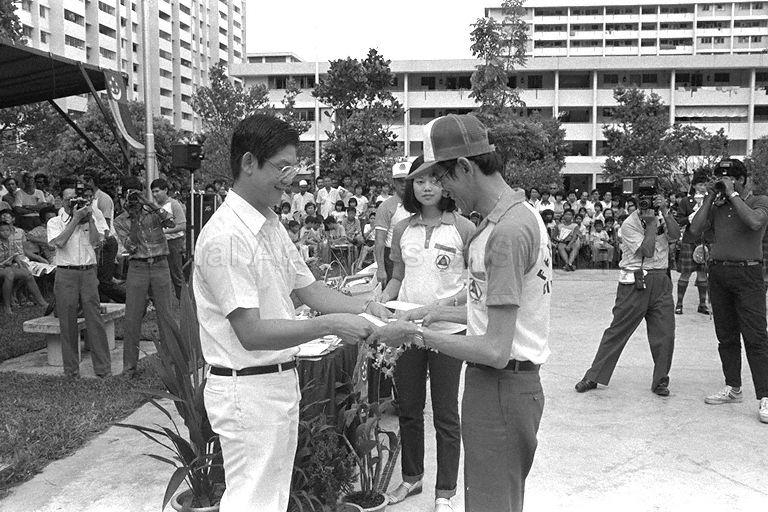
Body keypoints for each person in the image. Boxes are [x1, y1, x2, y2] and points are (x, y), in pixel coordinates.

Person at [193, 113, 390, 511]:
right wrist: (330, 326)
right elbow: (250, 332)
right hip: (246, 387)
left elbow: (311, 290)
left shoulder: (269, 224)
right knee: (252, 501)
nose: (290, 179)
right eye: (281, 167)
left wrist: (369, 309)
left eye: (293, 167)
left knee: (269, 498)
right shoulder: (226, 236)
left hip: (276, 383)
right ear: (248, 163)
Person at [369, 114, 552, 512]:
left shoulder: (504, 233)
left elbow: (494, 348)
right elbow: (490, 314)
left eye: (444, 178)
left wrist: (414, 336)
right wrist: (436, 312)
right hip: (502, 388)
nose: (441, 189)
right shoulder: (514, 218)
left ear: (466, 167)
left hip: (501, 386)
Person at [377, 156, 474, 511]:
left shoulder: (464, 228)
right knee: (409, 409)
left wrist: (444, 306)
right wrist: (383, 298)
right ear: (410, 187)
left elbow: (475, 285)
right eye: (419, 181)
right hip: (407, 330)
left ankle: (445, 491)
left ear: (446, 184)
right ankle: (412, 479)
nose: (427, 186)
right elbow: (398, 276)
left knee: (447, 413)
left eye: (434, 179)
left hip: (450, 331)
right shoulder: (402, 228)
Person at [575, 192, 680, 396]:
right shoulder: (629, 224)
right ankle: (593, 376)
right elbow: (647, 251)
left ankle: (660, 380)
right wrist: (651, 224)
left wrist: (665, 212)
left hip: (661, 280)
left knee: (665, 334)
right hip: (635, 281)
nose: (645, 205)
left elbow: (675, 236)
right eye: (640, 203)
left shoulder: (663, 217)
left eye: (649, 201)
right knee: (617, 331)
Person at [689, 158, 768, 424]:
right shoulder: (719, 205)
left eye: (730, 178)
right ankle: (733, 387)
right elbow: (696, 228)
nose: (724, 183)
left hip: (748, 273)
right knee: (726, 336)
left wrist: (733, 195)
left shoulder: (759, 201)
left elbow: (755, 223)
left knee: (756, 337)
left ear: (743, 180)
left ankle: (765, 396)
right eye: (720, 178)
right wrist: (710, 198)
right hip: (719, 273)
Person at [113, 177, 177, 378]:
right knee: (132, 318)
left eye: (135, 192)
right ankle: (129, 368)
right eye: (128, 193)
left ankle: (171, 363)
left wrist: (147, 203)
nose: (132, 197)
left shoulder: (154, 212)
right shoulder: (120, 220)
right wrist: (133, 217)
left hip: (160, 265)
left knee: (166, 316)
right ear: (123, 195)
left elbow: (170, 221)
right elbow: (131, 246)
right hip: (138, 267)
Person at [47, 188, 111, 378]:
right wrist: (75, 219)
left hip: (88, 271)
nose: (73, 203)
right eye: (69, 199)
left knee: (95, 320)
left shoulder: (94, 216)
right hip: (66, 273)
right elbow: (58, 243)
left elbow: (96, 242)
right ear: (61, 201)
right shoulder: (54, 221)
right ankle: (71, 371)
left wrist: (89, 218)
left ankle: (103, 369)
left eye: (77, 199)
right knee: (67, 322)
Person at [674, 171, 712, 315]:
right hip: (690, 240)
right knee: (685, 274)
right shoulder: (686, 201)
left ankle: (702, 304)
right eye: (701, 184)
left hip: (705, 240)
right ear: (694, 185)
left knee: (703, 274)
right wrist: (690, 218)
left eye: (705, 184)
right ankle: (679, 304)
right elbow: (679, 220)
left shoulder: (710, 200)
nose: (703, 187)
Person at [375, 162, 411, 287]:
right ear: (394, 183)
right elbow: (379, 240)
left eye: (407, 180)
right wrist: (381, 268)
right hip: (392, 258)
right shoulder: (386, 207)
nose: (404, 184)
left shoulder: (420, 206)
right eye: (400, 181)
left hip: (413, 255)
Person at [151, 179, 187, 300]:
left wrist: (164, 231)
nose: (155, 194)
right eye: (153, 192)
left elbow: (182, 225)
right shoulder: (153, 206)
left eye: (157, 191)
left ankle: (183, 301)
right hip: (158, 243)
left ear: (165, 190)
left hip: (173, 242)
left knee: (176, 274)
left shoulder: (174, 204)